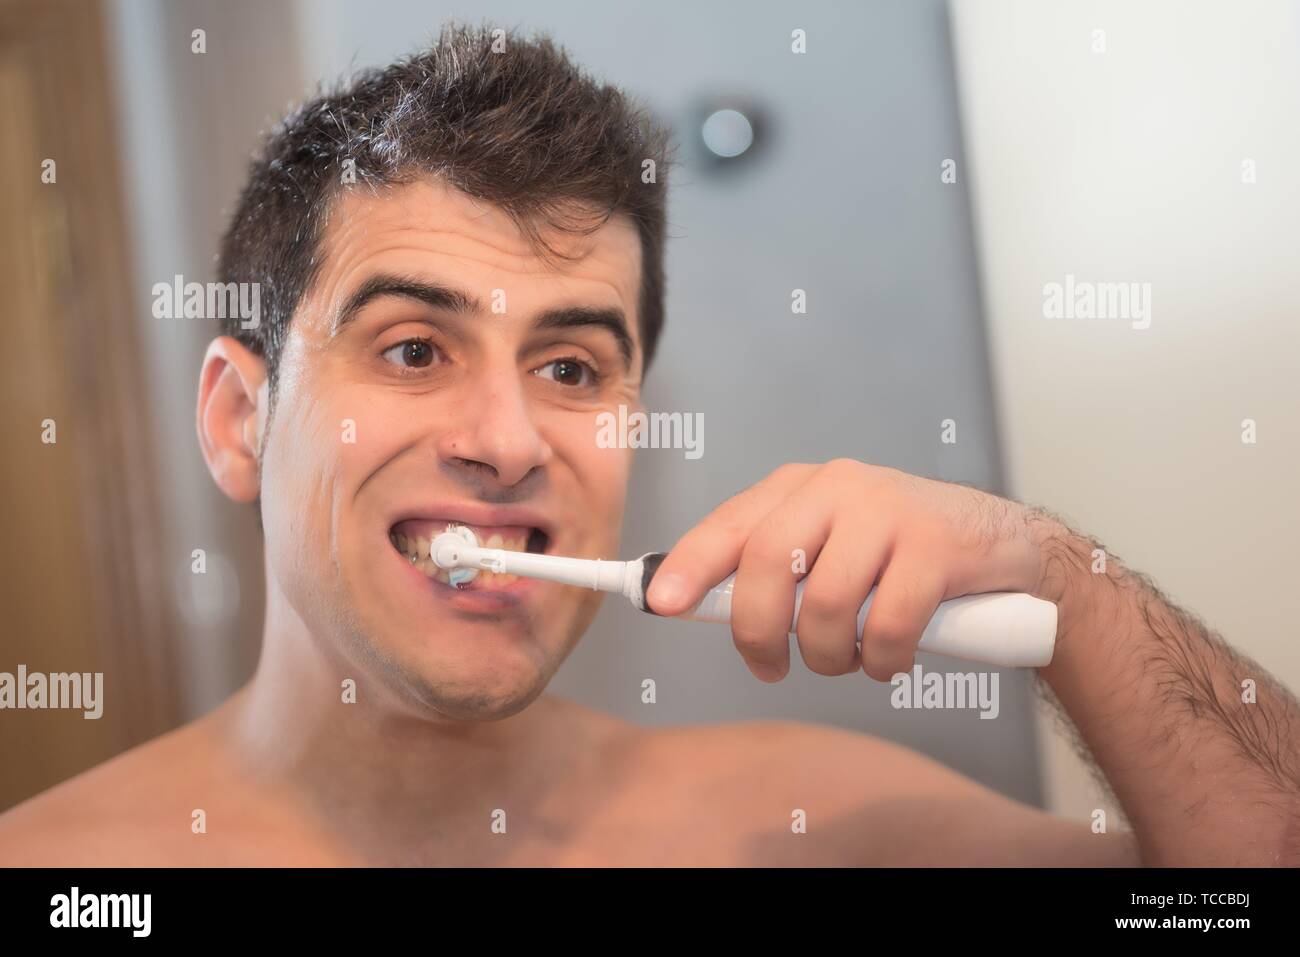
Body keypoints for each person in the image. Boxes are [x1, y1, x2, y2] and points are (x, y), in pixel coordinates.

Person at [1, 23, 1295, 867]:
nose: (507, 441)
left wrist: (1067, 584)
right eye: (412, 348)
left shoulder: (815, 832)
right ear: (239, 420)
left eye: (570, 367)